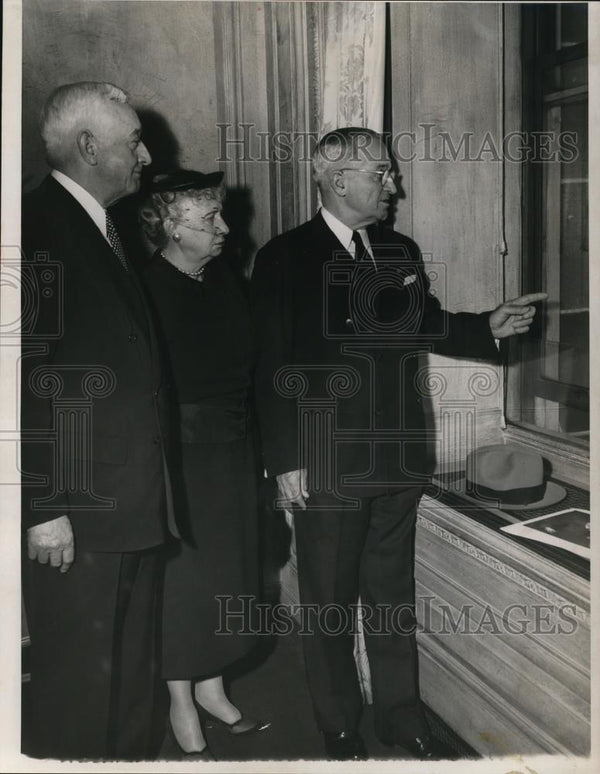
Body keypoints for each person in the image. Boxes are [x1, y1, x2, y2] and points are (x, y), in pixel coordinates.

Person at [251, 127, 546, 761]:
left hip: (400, 456)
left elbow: (426, 323)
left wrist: (488, 325)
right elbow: (269, 365)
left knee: (392, 599)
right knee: (329, 601)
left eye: (389, 173)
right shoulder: (284, 258)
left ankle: (400, 718)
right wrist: (285, 460)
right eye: (382, 174)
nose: (394, 185)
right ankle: (337, 725)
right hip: (328, 464)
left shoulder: (399, 250)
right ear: (335, 179)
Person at [21, 82, 178, 759]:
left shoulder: (101, 226)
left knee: (132, 678)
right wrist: (41, 504)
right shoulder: (33, 228)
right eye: (133, 140)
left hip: (131, 503)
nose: (145, 156)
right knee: (79, 691)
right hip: (78, 514)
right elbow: (20, 381)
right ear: (89, 146)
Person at [139, 170, 269, 759]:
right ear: (169, 225)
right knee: (184, 583)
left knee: (230, 573)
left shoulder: (225, 282)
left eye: (221, 215)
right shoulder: (143, 288)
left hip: (234, 453)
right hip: (180, 461)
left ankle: (213, 687)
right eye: (208, 219)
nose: (224, 228)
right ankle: (180, 700)